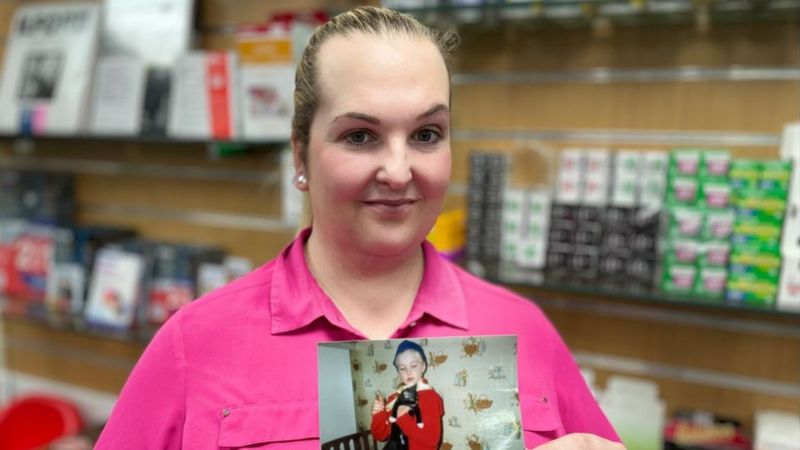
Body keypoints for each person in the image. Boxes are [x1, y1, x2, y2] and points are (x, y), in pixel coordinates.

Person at [96, 6, 625, 450]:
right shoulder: (198, 343)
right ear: (301, 153)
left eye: (426, 134)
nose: (398, 172)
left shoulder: (523, 330)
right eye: (359, 137)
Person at [371, 340, 443, 450]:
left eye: (413, 366)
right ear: (399, 372)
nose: (408, 372)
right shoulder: (393, 399)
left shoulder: (431, 397)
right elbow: (380, 436)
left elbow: (432, 440)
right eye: (402, 368)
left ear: (423, 366)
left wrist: (401, 415)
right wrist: (378, 415)